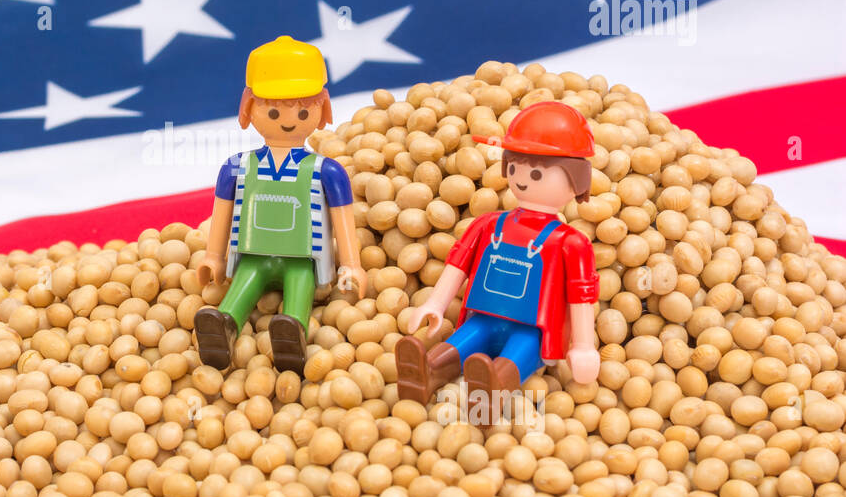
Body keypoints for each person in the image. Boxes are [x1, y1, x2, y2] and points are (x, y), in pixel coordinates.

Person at [395, 100, 601, 422]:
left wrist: (584, 346)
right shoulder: (490, 223)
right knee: (464, 339)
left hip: (533, 329)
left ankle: (494, 387)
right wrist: (435, 304)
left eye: (535, 172)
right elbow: (457, 264)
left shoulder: (570, 242)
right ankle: (428, 370)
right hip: (484, 316)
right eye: (515, 166)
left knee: (519, 352)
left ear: (576, 180)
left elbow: (581, 294)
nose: (521, 178)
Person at [195, 36, 366, 373]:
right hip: (254, 255)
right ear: (248, 108)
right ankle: (224, 327)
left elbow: (342, 218)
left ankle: (293, 334)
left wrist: (351, 264)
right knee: (245, 281)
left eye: (303, 109)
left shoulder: (326, 171)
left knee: (299, 284)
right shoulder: (236, 166)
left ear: (322, 108)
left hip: (301, 257)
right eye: (273, 110)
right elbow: (222, 214)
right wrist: (213, 257)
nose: (288, 119)